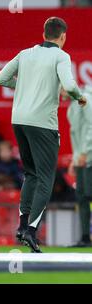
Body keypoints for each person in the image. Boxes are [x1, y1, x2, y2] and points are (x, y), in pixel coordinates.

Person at [0, 17, 86, 253]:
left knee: (31, 174)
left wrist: (26, 86)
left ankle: (22, 224)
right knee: (46, 177)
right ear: (63, 36)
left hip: (19, 120)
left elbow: (0, 78)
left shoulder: (25, 53)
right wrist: (79, 97)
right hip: (43, 123)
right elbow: (71, 84)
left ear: (43, 33)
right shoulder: (61, 56)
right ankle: (31, 231)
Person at [66, 86, 92, 246]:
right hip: (83, 157)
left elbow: (91, 126)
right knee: (81, 196)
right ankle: (84, 237)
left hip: (89, 156)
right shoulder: (74, 102)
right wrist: (75, 159)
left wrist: (85, 151)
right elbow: (78, 132)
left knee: (88, 194)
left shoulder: (84, 98)